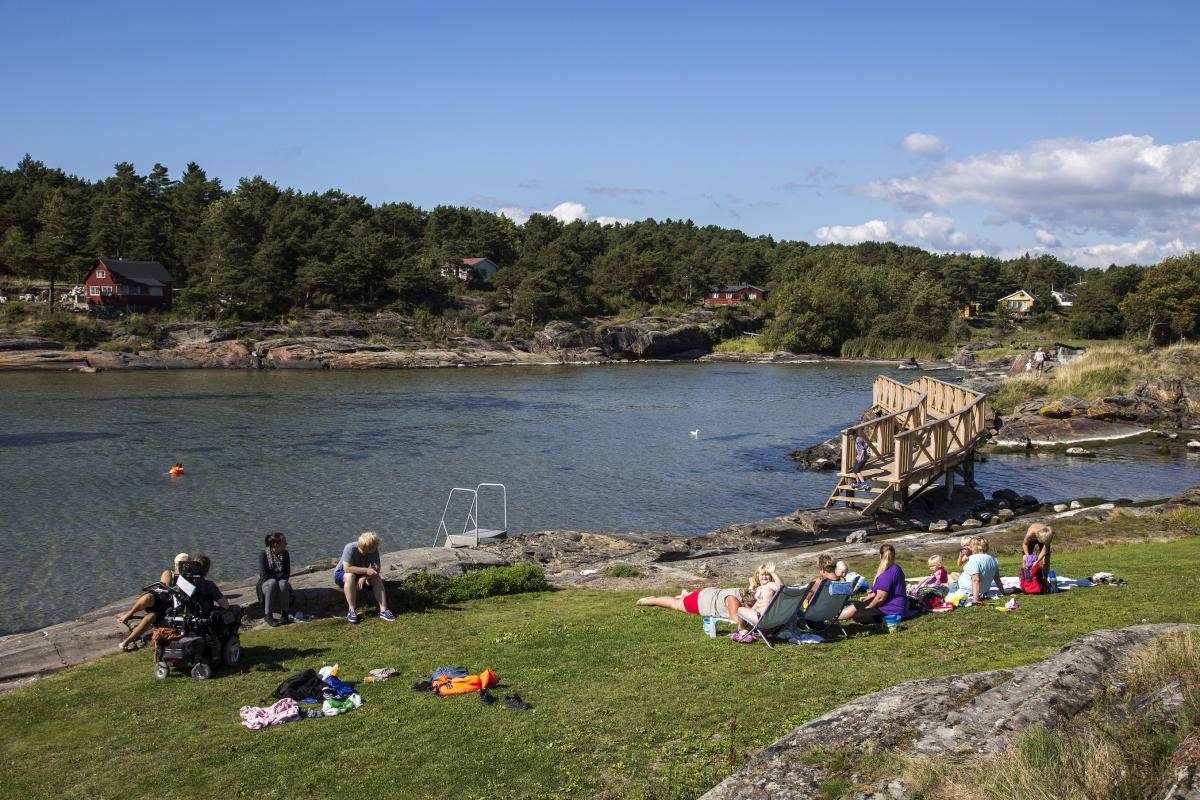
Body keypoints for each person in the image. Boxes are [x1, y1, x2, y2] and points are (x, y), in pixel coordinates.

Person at [117, 552, 188, 651]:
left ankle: (127, 641)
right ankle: (129, 614)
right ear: (176, 564)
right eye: (182, 564)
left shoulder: (189, 579)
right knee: (147, 598)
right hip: (160, 598)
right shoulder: (169, 573)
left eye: (187, 564)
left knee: (150, 617)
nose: (184, 566)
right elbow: (166, 587)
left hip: (168, 607)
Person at [839, 543, 909, 625]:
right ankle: (836, 616)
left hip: (893, 610)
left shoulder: (886, 574)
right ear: (893, 555)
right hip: (890, 604)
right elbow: (884, 592)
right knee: (860, 604)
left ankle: (835, 617)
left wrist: (868, 608)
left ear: (880, 556)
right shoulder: (896, 568)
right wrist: (870, 596)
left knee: (858, 615)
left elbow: (880, 598)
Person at [334, 531, 395, 623]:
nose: (377, 548)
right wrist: (366, 571)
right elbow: (347, 568)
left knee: (376, 577)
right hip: (342, 574)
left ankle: (383, 610)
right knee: (351, 576)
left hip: (361, 574)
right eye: (375, 546)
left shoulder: (374, 550)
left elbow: (376, 568)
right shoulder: (350, 548)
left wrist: (365, 577)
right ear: (367, 548)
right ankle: (352, 610)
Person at [956, 537, 1009, 603]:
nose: (968, 547)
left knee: (953, 580)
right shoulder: (992, 557)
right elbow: (997, 578)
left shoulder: (973, 559)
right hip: (985, 589)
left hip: (969, 589)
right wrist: (1003, 592)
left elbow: (976, 580)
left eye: (970, 545)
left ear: (975, 547)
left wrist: (975, 599)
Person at [257, 532, 293, 626]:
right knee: (272, 582)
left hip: (279, 581)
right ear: (275, 544)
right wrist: (277, 578)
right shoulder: (263, 554)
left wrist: (280, 580)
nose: (286, 544)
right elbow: (264, 575)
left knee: (283, 583)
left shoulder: (285, 554)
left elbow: (286, 573)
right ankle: (268, 615)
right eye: (284, 542)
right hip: (266, 584)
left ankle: (285, 613)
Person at [1020, 523, 1054, 594]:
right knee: (1025, 559)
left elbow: (1044, 550)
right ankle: (1026, 581)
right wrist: (1028, 556)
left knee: (1046, 560)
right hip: (1032, 538)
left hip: (1044, 536)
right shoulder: (1030, 533)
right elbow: (1024, 544)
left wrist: (1037, 561)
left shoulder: (1049, 535)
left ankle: (1044, 580)